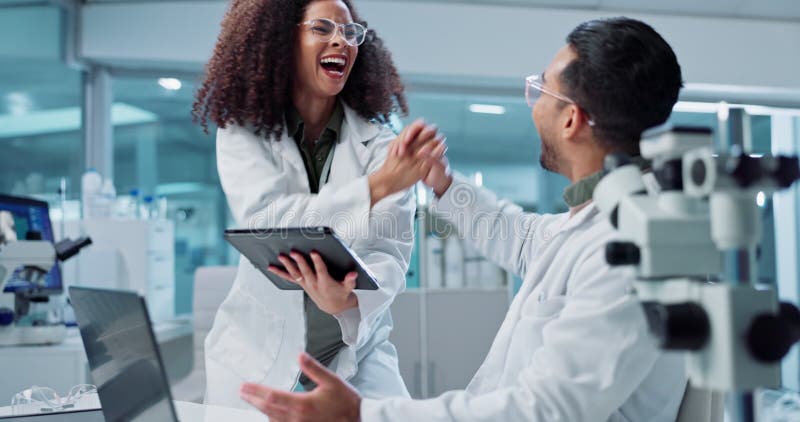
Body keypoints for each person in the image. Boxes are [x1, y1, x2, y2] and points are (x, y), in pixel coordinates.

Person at [239, 17, 690, 421]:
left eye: (541, 90)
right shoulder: (599, 222)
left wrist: (363, 415)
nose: (533, 103)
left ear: (571, 119)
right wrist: (443, 184)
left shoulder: (635, 245)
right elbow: (517, 235)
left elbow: (549, 409)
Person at [192, 0, 444, 407]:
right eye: (322, 28)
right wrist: (375, 187)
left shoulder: (381, 146)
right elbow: (267, 221)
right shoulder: (243, 130)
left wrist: (350, 302)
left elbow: (390, 252)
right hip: (257, 354)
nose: (340, 41)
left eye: (349, 32)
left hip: (355, 355)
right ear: (282, 40)